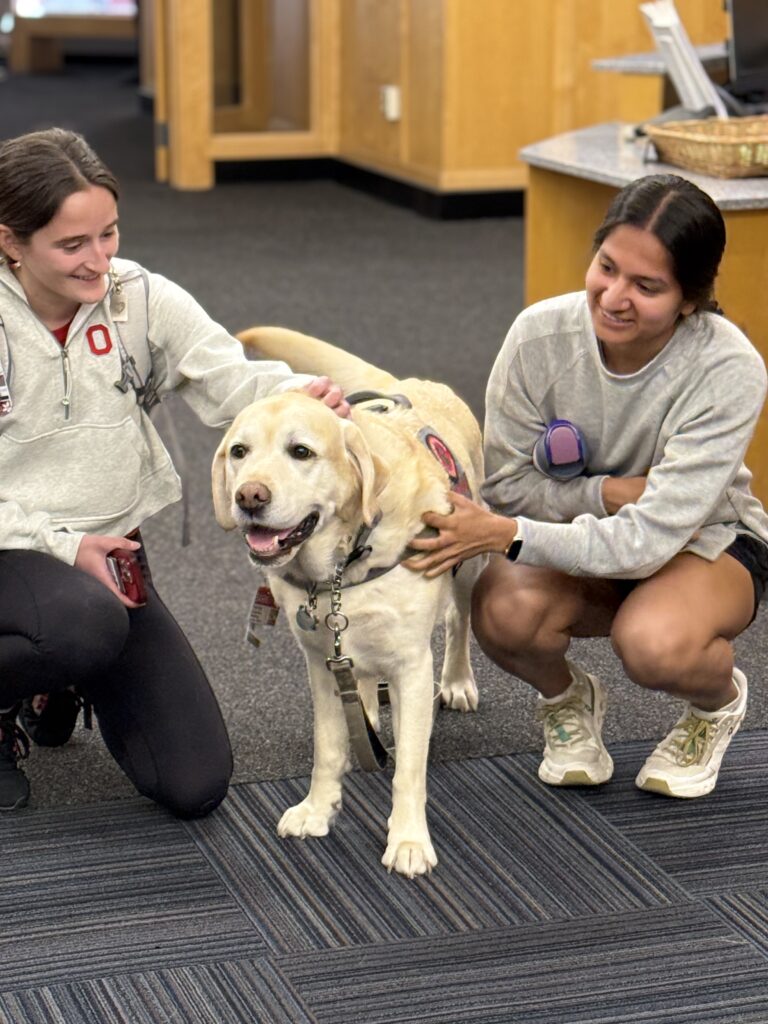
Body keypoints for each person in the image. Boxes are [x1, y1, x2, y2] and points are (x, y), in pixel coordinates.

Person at [0, 127, 349, 814]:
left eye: (108, 233)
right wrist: (65, 549)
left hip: (110, 559)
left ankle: (57, 676)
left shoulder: (137, 297)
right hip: (13, 550)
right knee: (84, 626)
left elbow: (232, 380)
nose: (99, 261)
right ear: (10, 241)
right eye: (72, 245)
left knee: (192, 783)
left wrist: (307, 396)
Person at [407, 173, 768, 800]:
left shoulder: (727, 368)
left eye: (647, 287)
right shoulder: (538, 337)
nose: (614, 298)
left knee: (653, 644)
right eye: (607, 267)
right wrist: (605, 495)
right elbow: (509, 484)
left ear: (689, 299)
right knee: (502, 612)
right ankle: (568, 697)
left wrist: (511, 533)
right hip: (587, 534)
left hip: (703, 541)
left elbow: (648, 540)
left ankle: (716, 704)